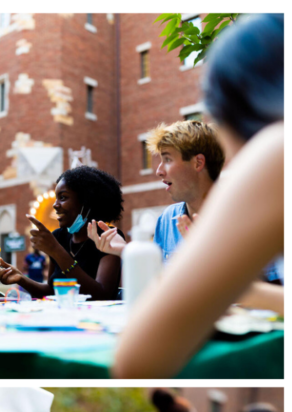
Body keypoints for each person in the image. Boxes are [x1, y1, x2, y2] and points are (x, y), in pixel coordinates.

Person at [113, 14, 284, 378]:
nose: (159, 171)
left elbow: (137, 361)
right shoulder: (167, 218)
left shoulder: (278, 150)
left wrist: (212, 272)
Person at [0, 166, 124, 300]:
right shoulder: (59, 236)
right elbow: (52, 291)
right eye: (56, 198)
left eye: (63, 197)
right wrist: (20, 278)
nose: (55, 205)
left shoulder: (109, 238)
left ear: (86, 202)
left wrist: (57, 251)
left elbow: (101, 295)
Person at [143, 121, 226, 261]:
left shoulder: (246, 216)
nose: (159, 171)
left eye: (167, 159)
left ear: (198, 163)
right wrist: (124, 252)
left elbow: (272, 282)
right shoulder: (167, 219)